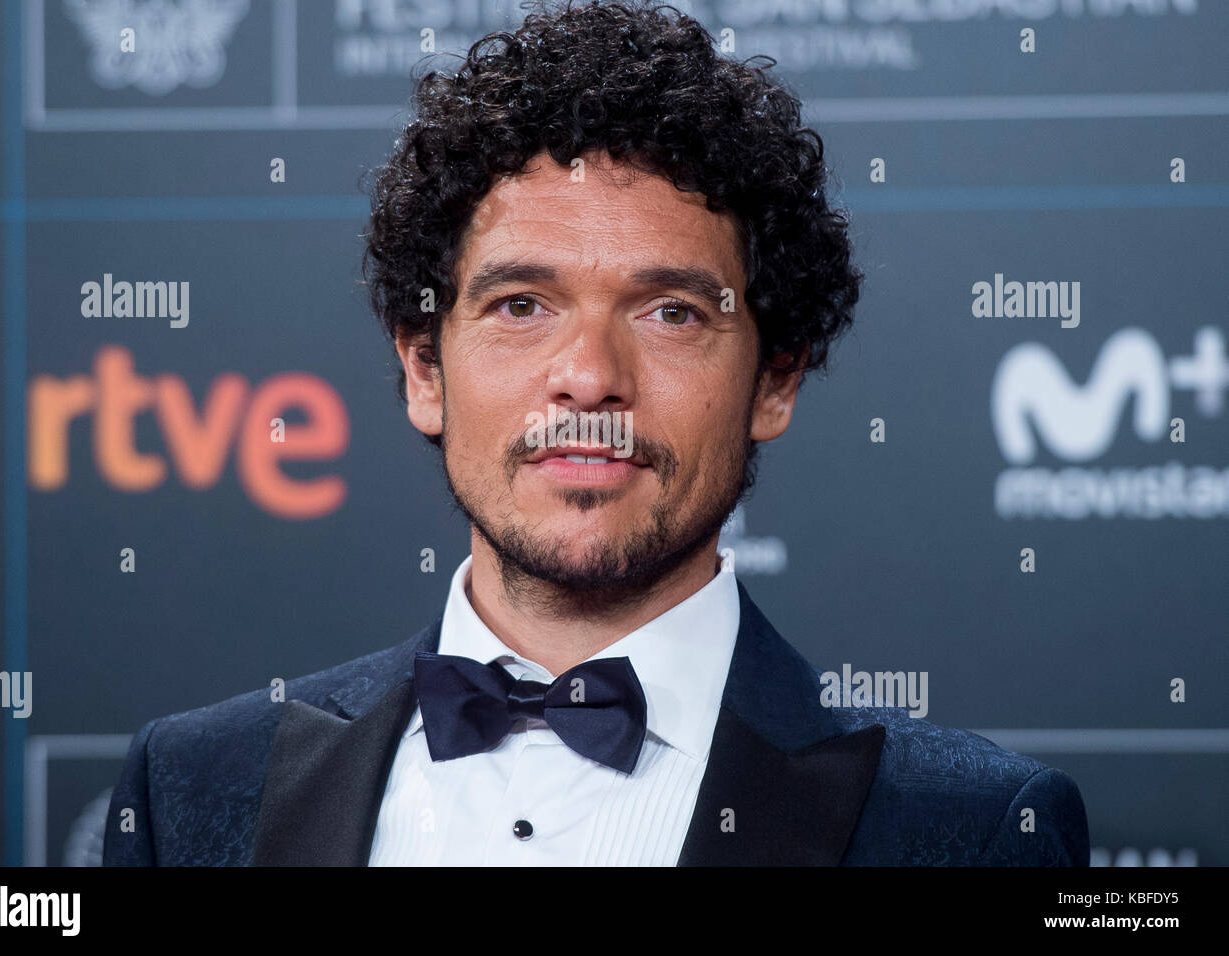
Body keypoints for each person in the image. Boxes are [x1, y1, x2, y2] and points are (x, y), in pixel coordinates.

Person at [104, 0, 1088, 866]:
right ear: (423, 367)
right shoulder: (190, 785)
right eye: (522, 303)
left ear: (774, 379)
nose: (588, 376)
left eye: (671, 313)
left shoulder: (975, 827)